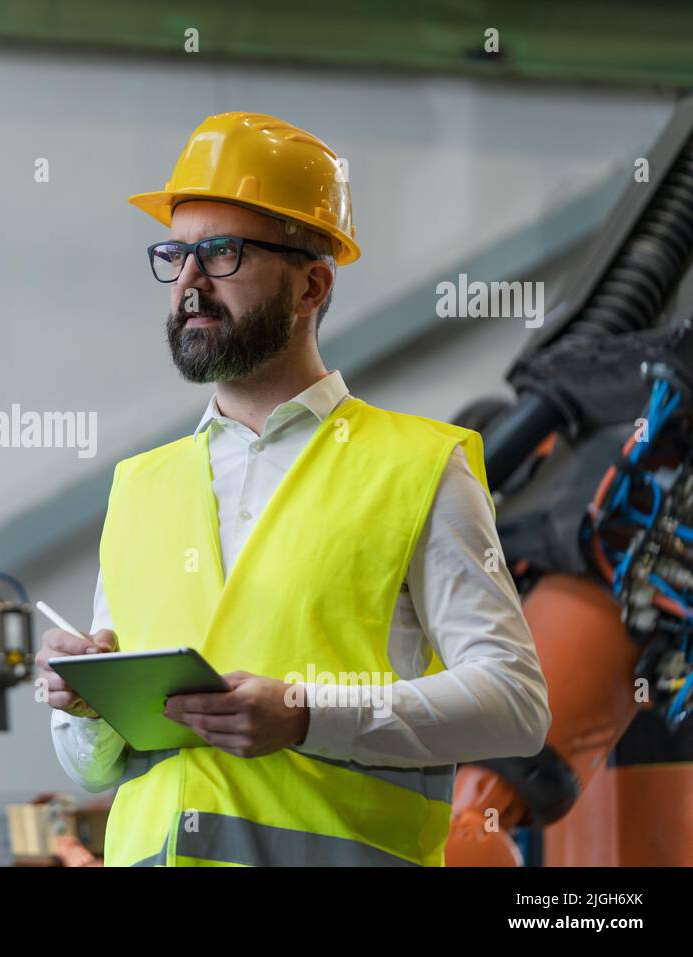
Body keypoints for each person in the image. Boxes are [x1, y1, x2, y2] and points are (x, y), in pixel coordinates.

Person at [37, 112, 551, 867]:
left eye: (221, 254)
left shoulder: (417, 467)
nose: (188, 284)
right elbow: (94, 767)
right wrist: (85, 708)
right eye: (175, 255)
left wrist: (308, 714)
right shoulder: (141, 488)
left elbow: (517, 705)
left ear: (312, 284)